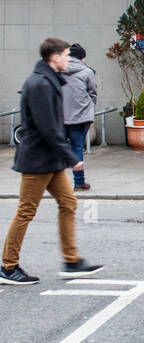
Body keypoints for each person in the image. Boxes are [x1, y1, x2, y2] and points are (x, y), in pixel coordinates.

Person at [1, 38, 103, 285]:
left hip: (50, 159)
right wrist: (72, 158)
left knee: (68, 203)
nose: (69, 59)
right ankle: (7, 266)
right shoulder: (39, 84)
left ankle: (71, 261)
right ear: (54, 57)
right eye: (66, 55)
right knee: (26, 210)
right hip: (38, 159)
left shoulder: (49, 79)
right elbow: (47, 128)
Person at [62, 42, 97, 191]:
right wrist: (88, 108)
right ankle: (79, 182)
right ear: (82, 58)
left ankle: (49, 182)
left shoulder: (57, 70)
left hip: (60, 116)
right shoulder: (87, 72)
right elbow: (93, 93)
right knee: (77, 148)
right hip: (79, 117)